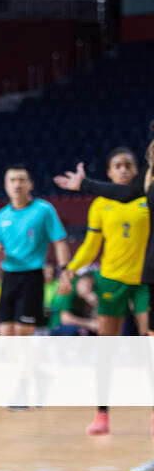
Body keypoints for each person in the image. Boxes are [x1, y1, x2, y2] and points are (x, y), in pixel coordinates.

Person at [55, 137, 154, 445]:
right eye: (118, 166)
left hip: (144, 282)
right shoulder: (101, 204)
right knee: (105, 350)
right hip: (110, 281)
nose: (123, 170)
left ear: (139, 171)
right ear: (109, 172)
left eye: (129, 166)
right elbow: (90, 246)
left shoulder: (145, 197)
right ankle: (101, 414)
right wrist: (70, 268)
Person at [0, 166, 70, 336]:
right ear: (5, 185)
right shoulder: (2, 215)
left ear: (30, 184)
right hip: (8, 277)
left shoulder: (43, 209)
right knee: (4, 332)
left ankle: (27, 363)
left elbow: (60, 242)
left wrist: (64, 272)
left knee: (23, 332)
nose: (17, 185)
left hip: (31, 277)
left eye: (21, 180)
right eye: (12, 180)